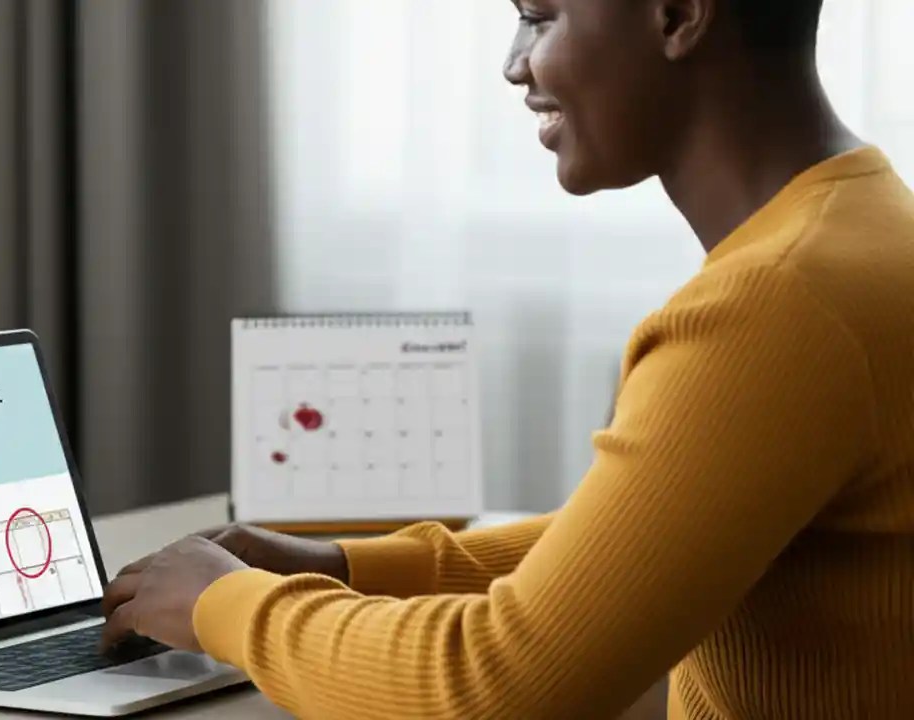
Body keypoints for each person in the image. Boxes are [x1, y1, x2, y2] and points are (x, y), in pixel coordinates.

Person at [100, 0, 914, 717]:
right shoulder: (865, 229)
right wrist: (348, 567)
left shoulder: (772, 307)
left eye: (541, 14)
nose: (514, 63)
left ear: (676, 15)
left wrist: (225, 604)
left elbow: (499, 685)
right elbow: (646, 543)